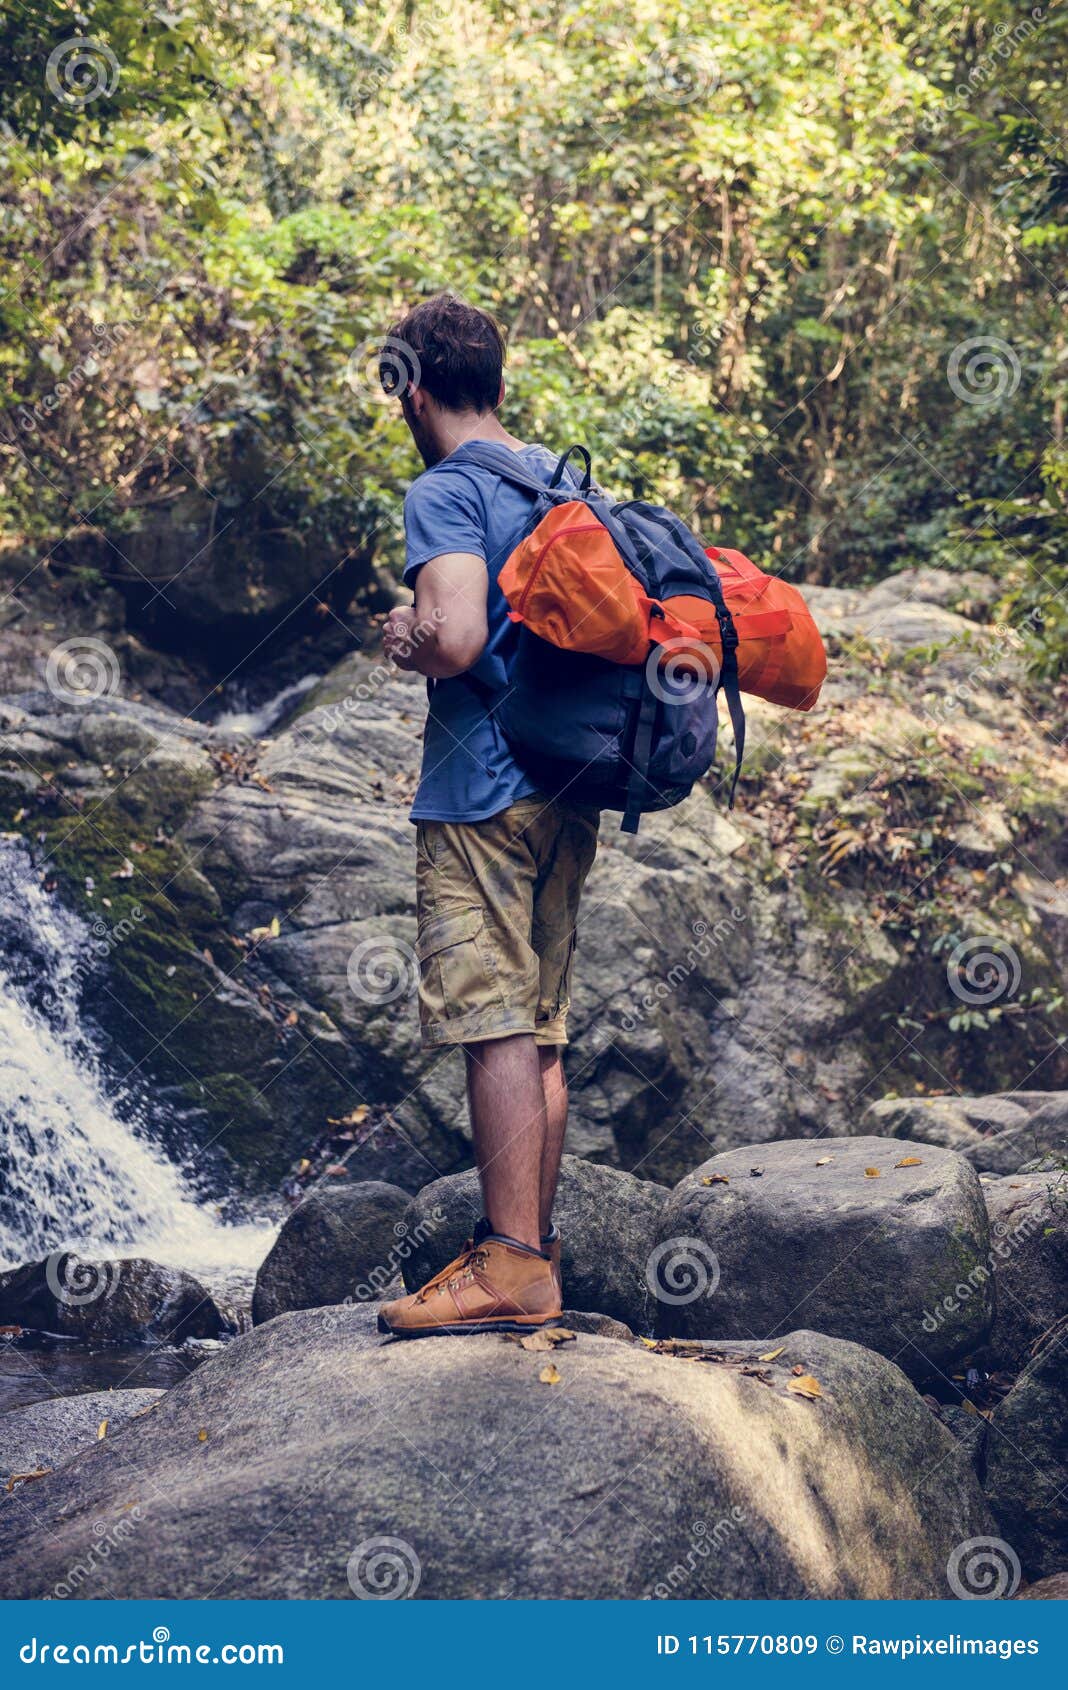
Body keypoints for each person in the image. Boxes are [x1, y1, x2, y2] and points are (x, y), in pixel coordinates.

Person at [375, 293, 599, 1337]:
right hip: (568, 784)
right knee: (540, 1025)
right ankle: (531, 1257)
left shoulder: (446, 490)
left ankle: (507, 1266)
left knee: (493, 1022)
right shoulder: (558, 476)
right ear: (499, 384)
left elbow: (458, 636)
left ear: (413, 392)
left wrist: (407, 635)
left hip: (481, 792)